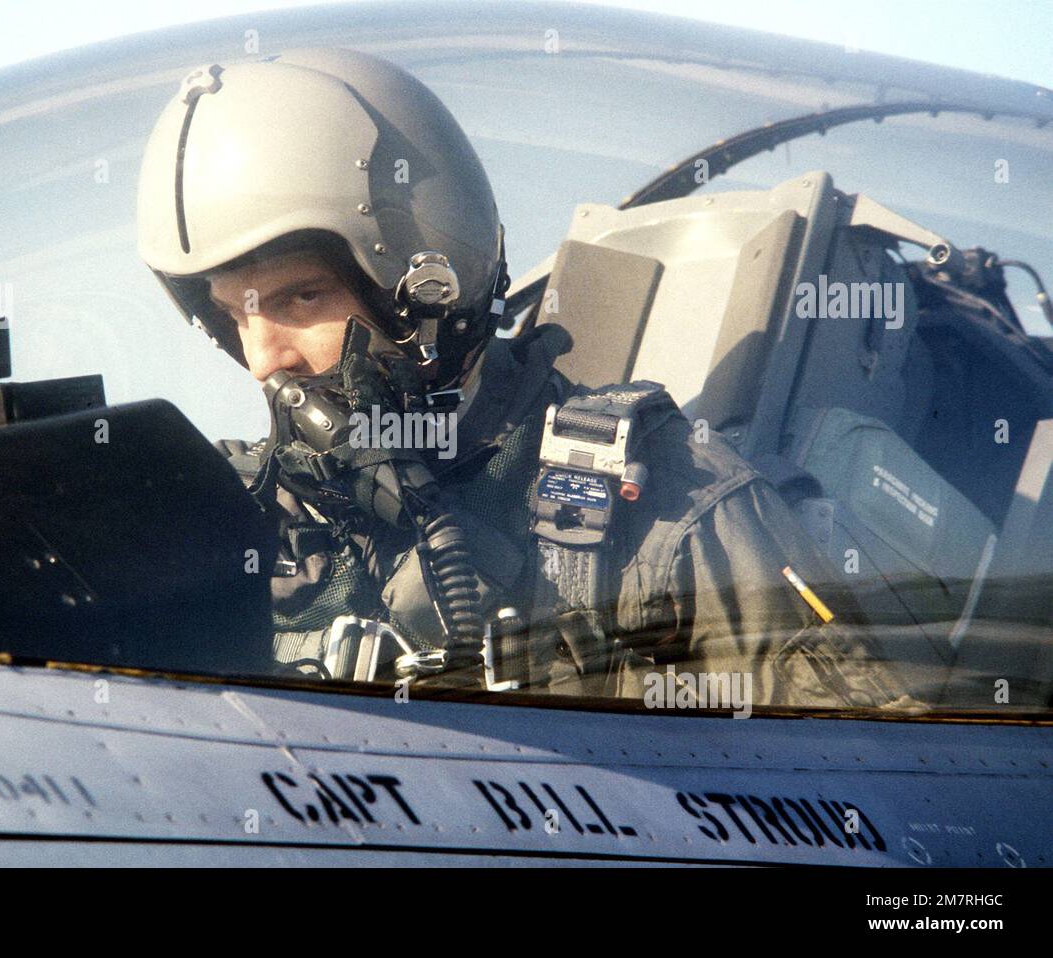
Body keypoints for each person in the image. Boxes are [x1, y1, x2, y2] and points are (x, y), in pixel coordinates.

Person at [136, 47, 911, 707]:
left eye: (301, 297)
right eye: (237, 315)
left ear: (425, 287)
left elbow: (872, 796)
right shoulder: (230, 527)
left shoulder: (669, 511)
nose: (265, 355)